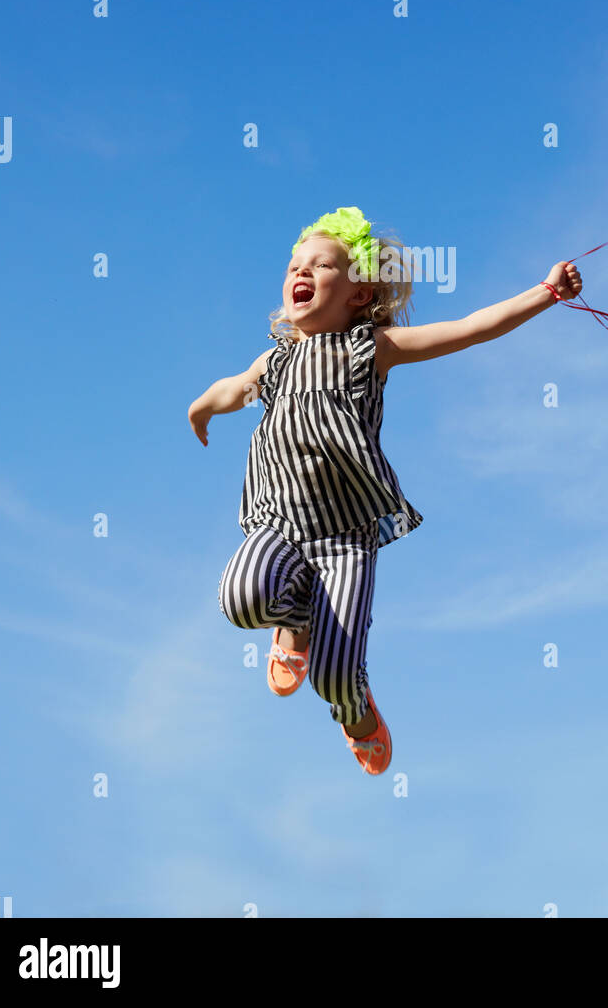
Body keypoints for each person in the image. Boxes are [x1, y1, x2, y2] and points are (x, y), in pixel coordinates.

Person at [188, 206, 581, 775]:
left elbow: (470, 329)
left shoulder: (373, 350)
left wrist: (545, 292)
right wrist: (201, 407)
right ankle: (294, 621)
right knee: (241, 597)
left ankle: (358, 715)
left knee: (334, 676)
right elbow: (233, 389)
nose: (303, 272)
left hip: (344, 537)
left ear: (357, 292)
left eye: (322, 266)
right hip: (277, 521)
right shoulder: (274, 362)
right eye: (296, 264)